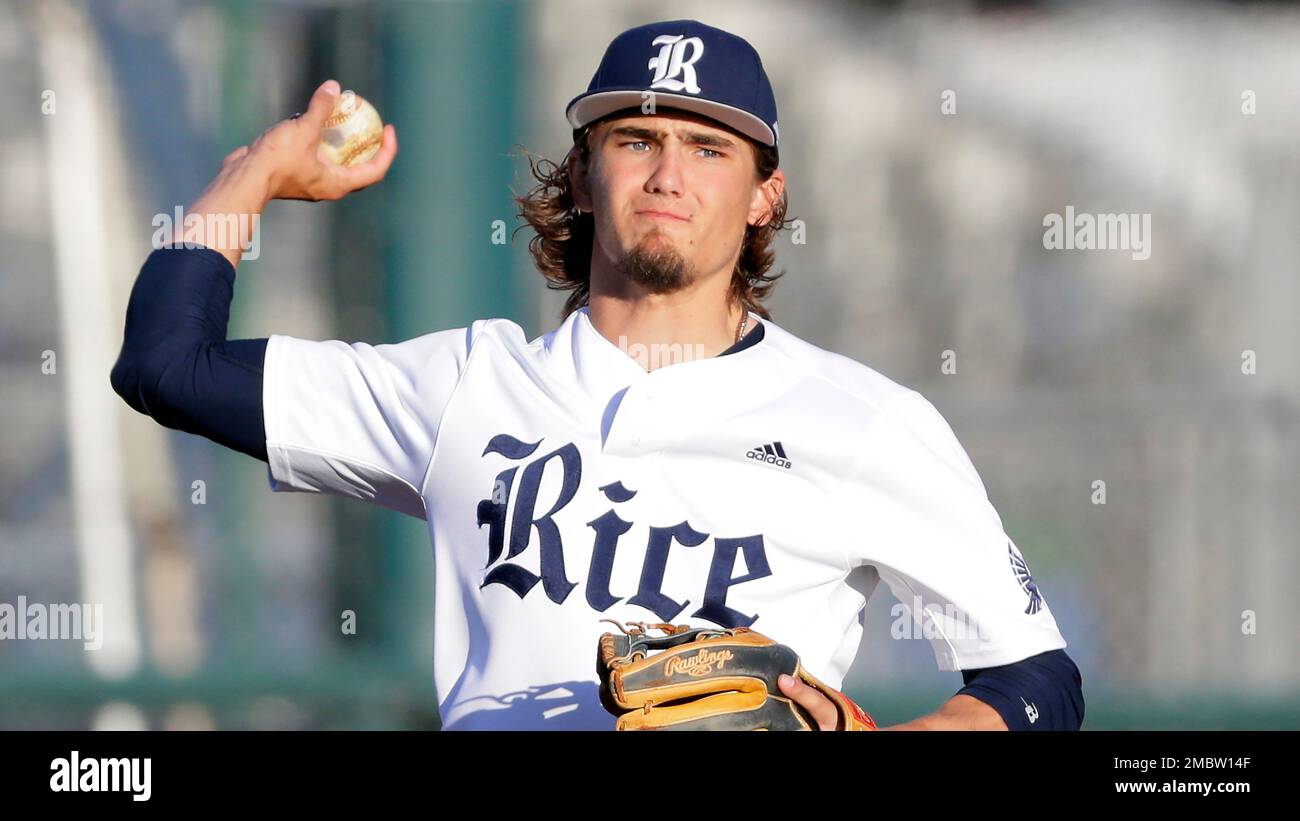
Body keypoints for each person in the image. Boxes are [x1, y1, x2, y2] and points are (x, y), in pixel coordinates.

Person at [111, 19, 1083, 730]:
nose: (668, 175)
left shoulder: (863, 420)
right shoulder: (464, 387)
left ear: (764, 194)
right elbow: (167, 366)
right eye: (635, 138)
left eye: (708, 147)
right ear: (581, 175)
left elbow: (1034, 679)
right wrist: (254, 177)